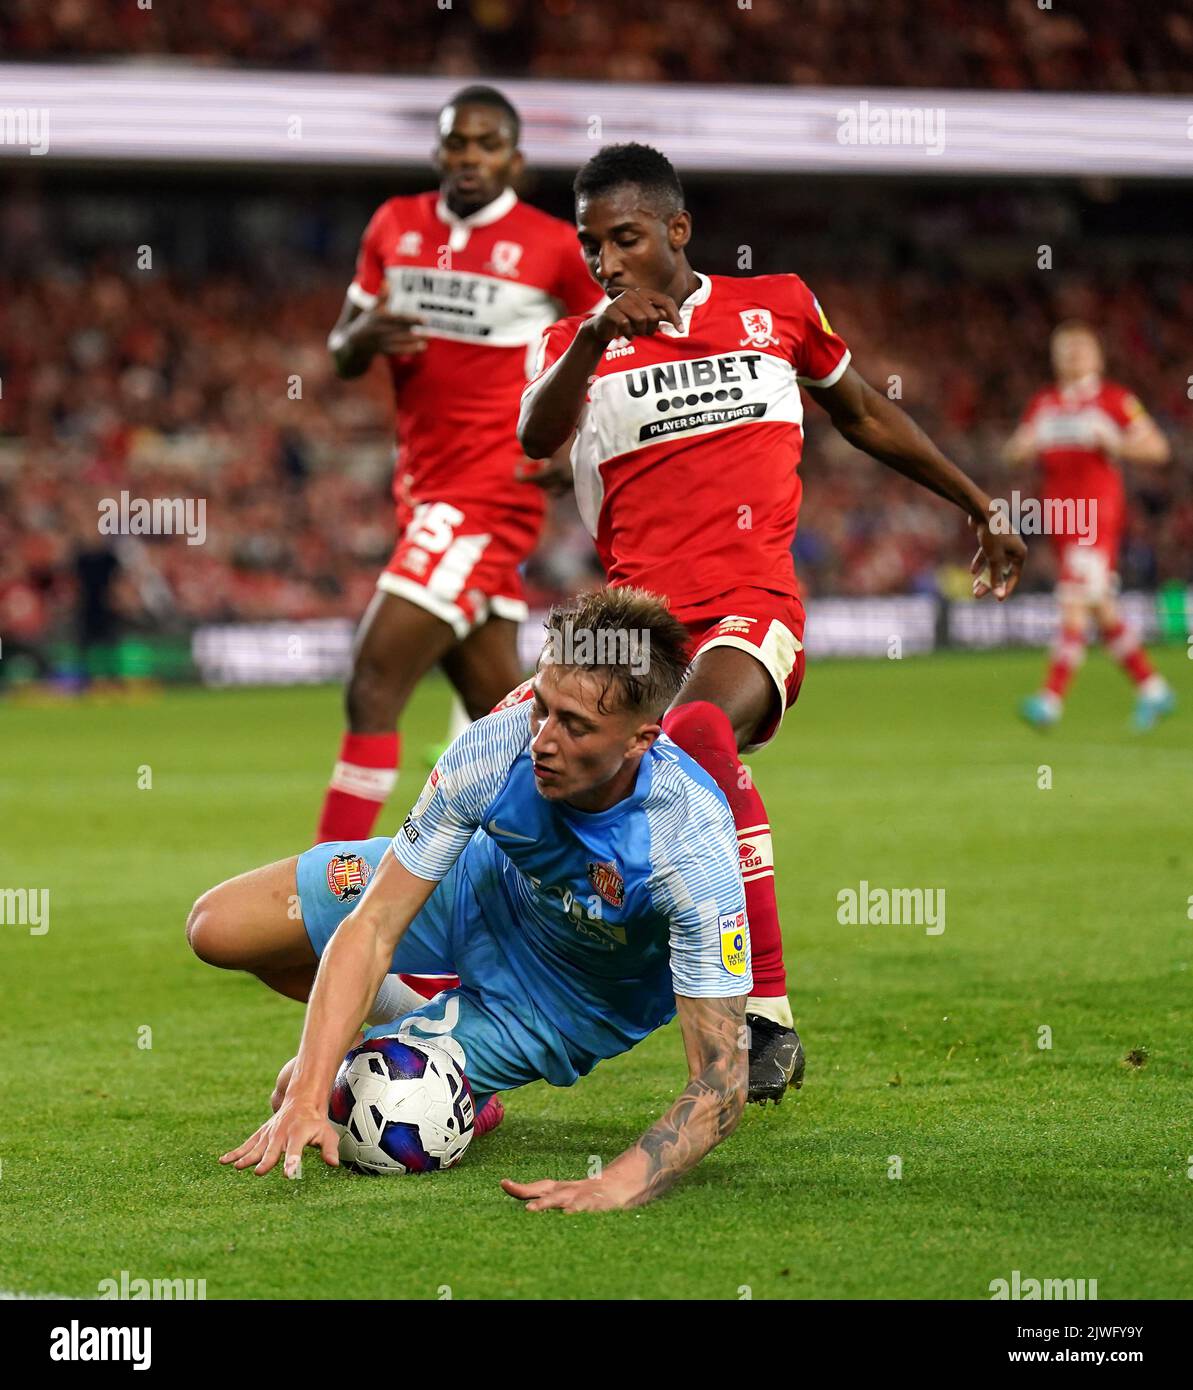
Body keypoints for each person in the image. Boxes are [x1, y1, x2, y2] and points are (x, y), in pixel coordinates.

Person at [517, 143, 1027, 1101]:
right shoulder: (569, 344)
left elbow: (865, 413)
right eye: (590, 246)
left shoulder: (779, 306)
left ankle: (767, 1019)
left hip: (749, 607)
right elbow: (536, 437)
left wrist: (977, 502)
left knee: (699, 734)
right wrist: (593, 333)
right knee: (504, 762)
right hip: (625, 623)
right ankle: (453, 1003)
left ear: (677, 229)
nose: (606, 261)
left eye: (624, 238)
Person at [191, 587, 755, 1212]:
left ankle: (457, 1070)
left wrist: (618, 1181)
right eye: (542, 706)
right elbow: (374, 923)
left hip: (561, 1003)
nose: (542, 738)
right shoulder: (496, 746)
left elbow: (722, 1078)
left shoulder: (690, 842)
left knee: (327, 1091)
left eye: (576, 726)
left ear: (640, 740)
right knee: (218, 928)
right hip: (480, 885)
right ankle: (417, 1018)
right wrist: (305, 1100)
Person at [315, 84, 603, 857]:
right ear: (438, 150)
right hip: (424, 492)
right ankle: (581, 884)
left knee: (373, 683)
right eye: (456, 143)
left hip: (485, 497)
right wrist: (366, 333)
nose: (468, 157)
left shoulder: (551, 248)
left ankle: (318, 903)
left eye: (485, 145)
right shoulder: (394, 225)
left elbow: (612, 347)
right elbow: (342, 351)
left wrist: (576, 446)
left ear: (514, 158)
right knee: (503, 724)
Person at [1003, 321, 1174, 731]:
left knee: (1074, 601)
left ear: (1097, 355)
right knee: (1099, 605)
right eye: (1066, 348)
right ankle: (1153, 688)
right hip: (1060, 518)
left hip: (1095, 514)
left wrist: (1114, 442)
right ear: (1054, 356)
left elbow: (1158, 448)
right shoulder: (1044, 403)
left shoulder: (1114, 401)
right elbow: (1013, 452)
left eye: (1081, 348)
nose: (1074, 355)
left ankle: (1051, 699)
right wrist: (1027, 444)